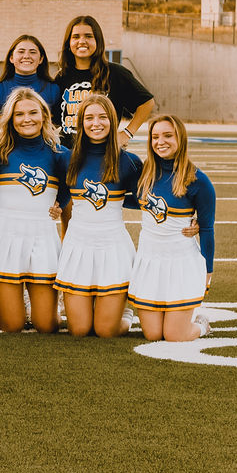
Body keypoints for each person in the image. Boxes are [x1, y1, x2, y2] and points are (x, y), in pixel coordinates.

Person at [55, 94, 143, 338]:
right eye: (89, 118)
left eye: (103, 117)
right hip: (78, 245)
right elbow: (61, 194)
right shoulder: (68, 158)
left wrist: (192, 215)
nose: (96, 123)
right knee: (80, 330)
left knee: (106, 331)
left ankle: (124, 314)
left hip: (112, 246)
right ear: (81, 123)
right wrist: (56, 206)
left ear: (113, 121)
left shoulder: (129, 162)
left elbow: (146, 199)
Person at [0, 88, 70, 333]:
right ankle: (13, 302)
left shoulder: (59, 154)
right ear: (10, 119)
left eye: (33, 112)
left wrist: (58, 205)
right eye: (19, 114)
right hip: (6, 235)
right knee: (12, 325)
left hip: (42, 235)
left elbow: (67, 188)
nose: (27, 119)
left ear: (44, 115)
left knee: (47, 325)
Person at [129, 114, 216, 342]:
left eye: (168, 135)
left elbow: (207, 229)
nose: (160, 142)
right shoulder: (145, 173)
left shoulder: (198, 180)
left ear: (181, 138)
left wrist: (207, 272)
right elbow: (130, 199)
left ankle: (201, 325)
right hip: (150, 261)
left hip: (180, 263)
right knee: (153, 335)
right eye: (155, 137)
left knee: (175, 335)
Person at [54, 15, 155, 146]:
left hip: (104, 155)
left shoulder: (115, 73)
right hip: (69, 157)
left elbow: (147, 103)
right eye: (76, 37)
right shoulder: (61, 77)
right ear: (68, 43)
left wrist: (127, 133)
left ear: (98, 41)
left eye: (89, 36)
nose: (82, 41)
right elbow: (51, 117)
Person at [0, 34, 61, 133]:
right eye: (21, 52)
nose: (26, 56)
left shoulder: (53, 90)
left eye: (33, 52)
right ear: (11, 58)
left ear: (41, 59)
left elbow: (58, 127)